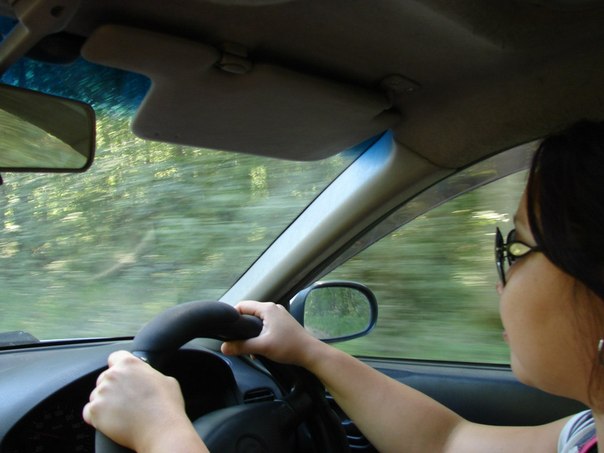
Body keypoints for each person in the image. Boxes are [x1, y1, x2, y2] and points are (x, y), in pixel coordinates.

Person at [83, 120, 604, 453]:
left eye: (516, 248)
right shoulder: (588, 434)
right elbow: (448, 440)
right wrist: (310, 352)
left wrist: (163, 434)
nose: (499, 284)